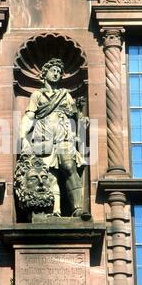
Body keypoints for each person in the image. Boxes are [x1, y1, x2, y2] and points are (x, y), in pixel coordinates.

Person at [19, 58, 90, 219]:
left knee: (69, 167)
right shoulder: (37, 95)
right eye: (53, 71)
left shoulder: (65, 95)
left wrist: (80, 113)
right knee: (49, 174)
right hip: (43, 136)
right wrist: (22, 136)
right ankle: (54, 210)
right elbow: (30, 116)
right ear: (45, 74)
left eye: (59, 71)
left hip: (64, 136)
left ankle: (77, 208)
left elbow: (76, 117)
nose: (57, 73)